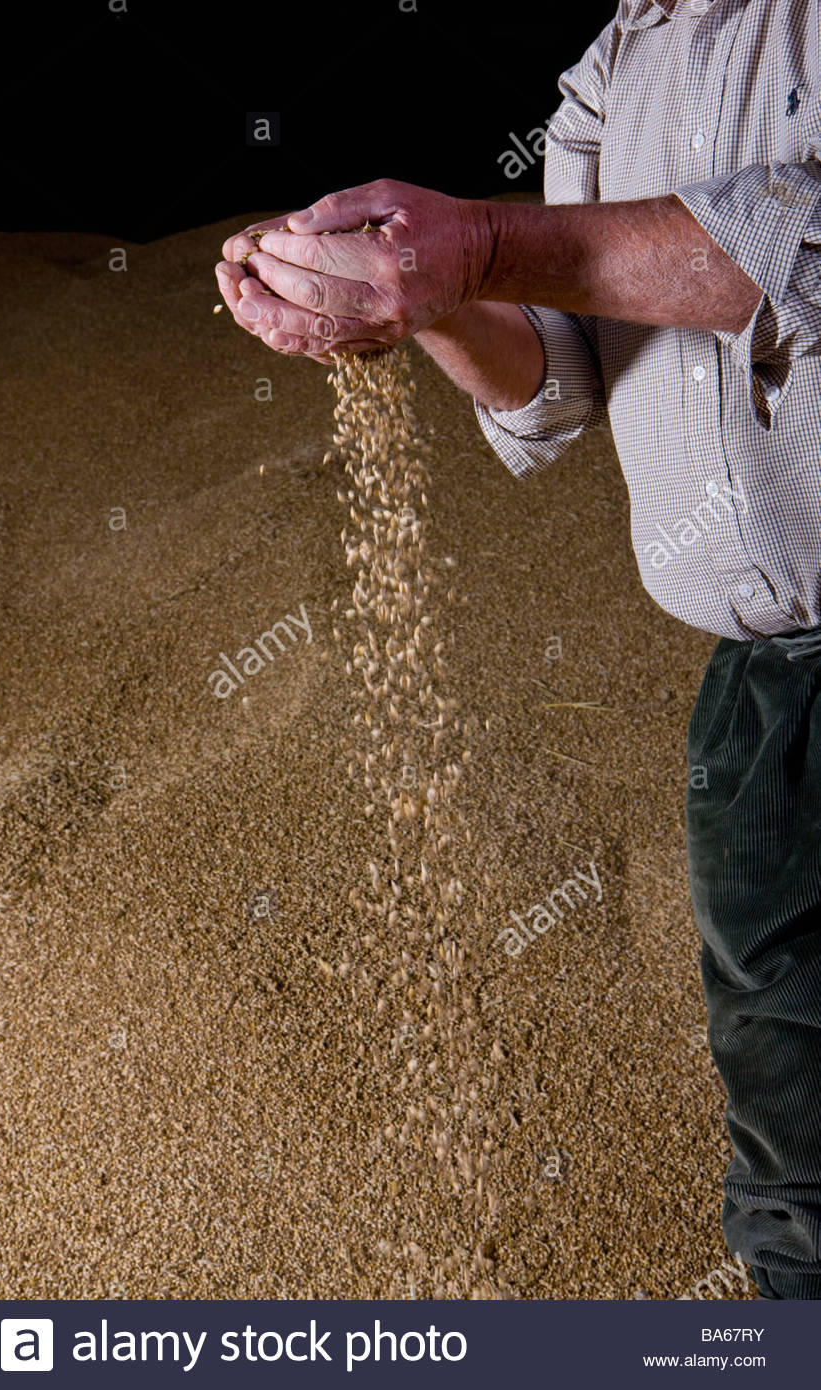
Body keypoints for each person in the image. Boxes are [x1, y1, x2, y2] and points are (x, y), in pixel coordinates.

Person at [215, 0, 821, 1299]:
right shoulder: (616, 67)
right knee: (789, 1104)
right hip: (756, 701)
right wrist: (409, 300)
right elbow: (551, 383)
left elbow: (799, 240)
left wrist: (483, 240)